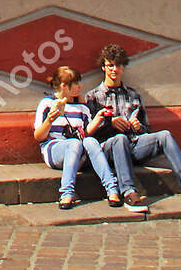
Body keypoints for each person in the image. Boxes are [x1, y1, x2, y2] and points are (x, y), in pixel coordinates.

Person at [85, 44, 181, 214]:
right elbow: (89, 134)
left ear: (123, 67)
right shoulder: (93, 97)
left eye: (118, 65)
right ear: (103, 67)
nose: (114, 69)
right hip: (111, 148)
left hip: (135, 144)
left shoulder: (133, 95)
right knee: (120, 139)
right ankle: (129, 192)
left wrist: (139, 127)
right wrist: (109, 124)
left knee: (165, 135)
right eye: (110, 65)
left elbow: (147, 127)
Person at [34, 66, 124, 210]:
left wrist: (98, 119)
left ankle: (112, 189)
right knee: (74, 144)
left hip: (79, 150)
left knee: (90, 141)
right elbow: (38, 136)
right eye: (75, 83)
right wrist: (49, 120)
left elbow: (85, 134)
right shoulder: (47, 104)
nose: (79, 86)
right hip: (54, 150)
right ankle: (66, 193)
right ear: (64, 86)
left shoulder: (82, 107)